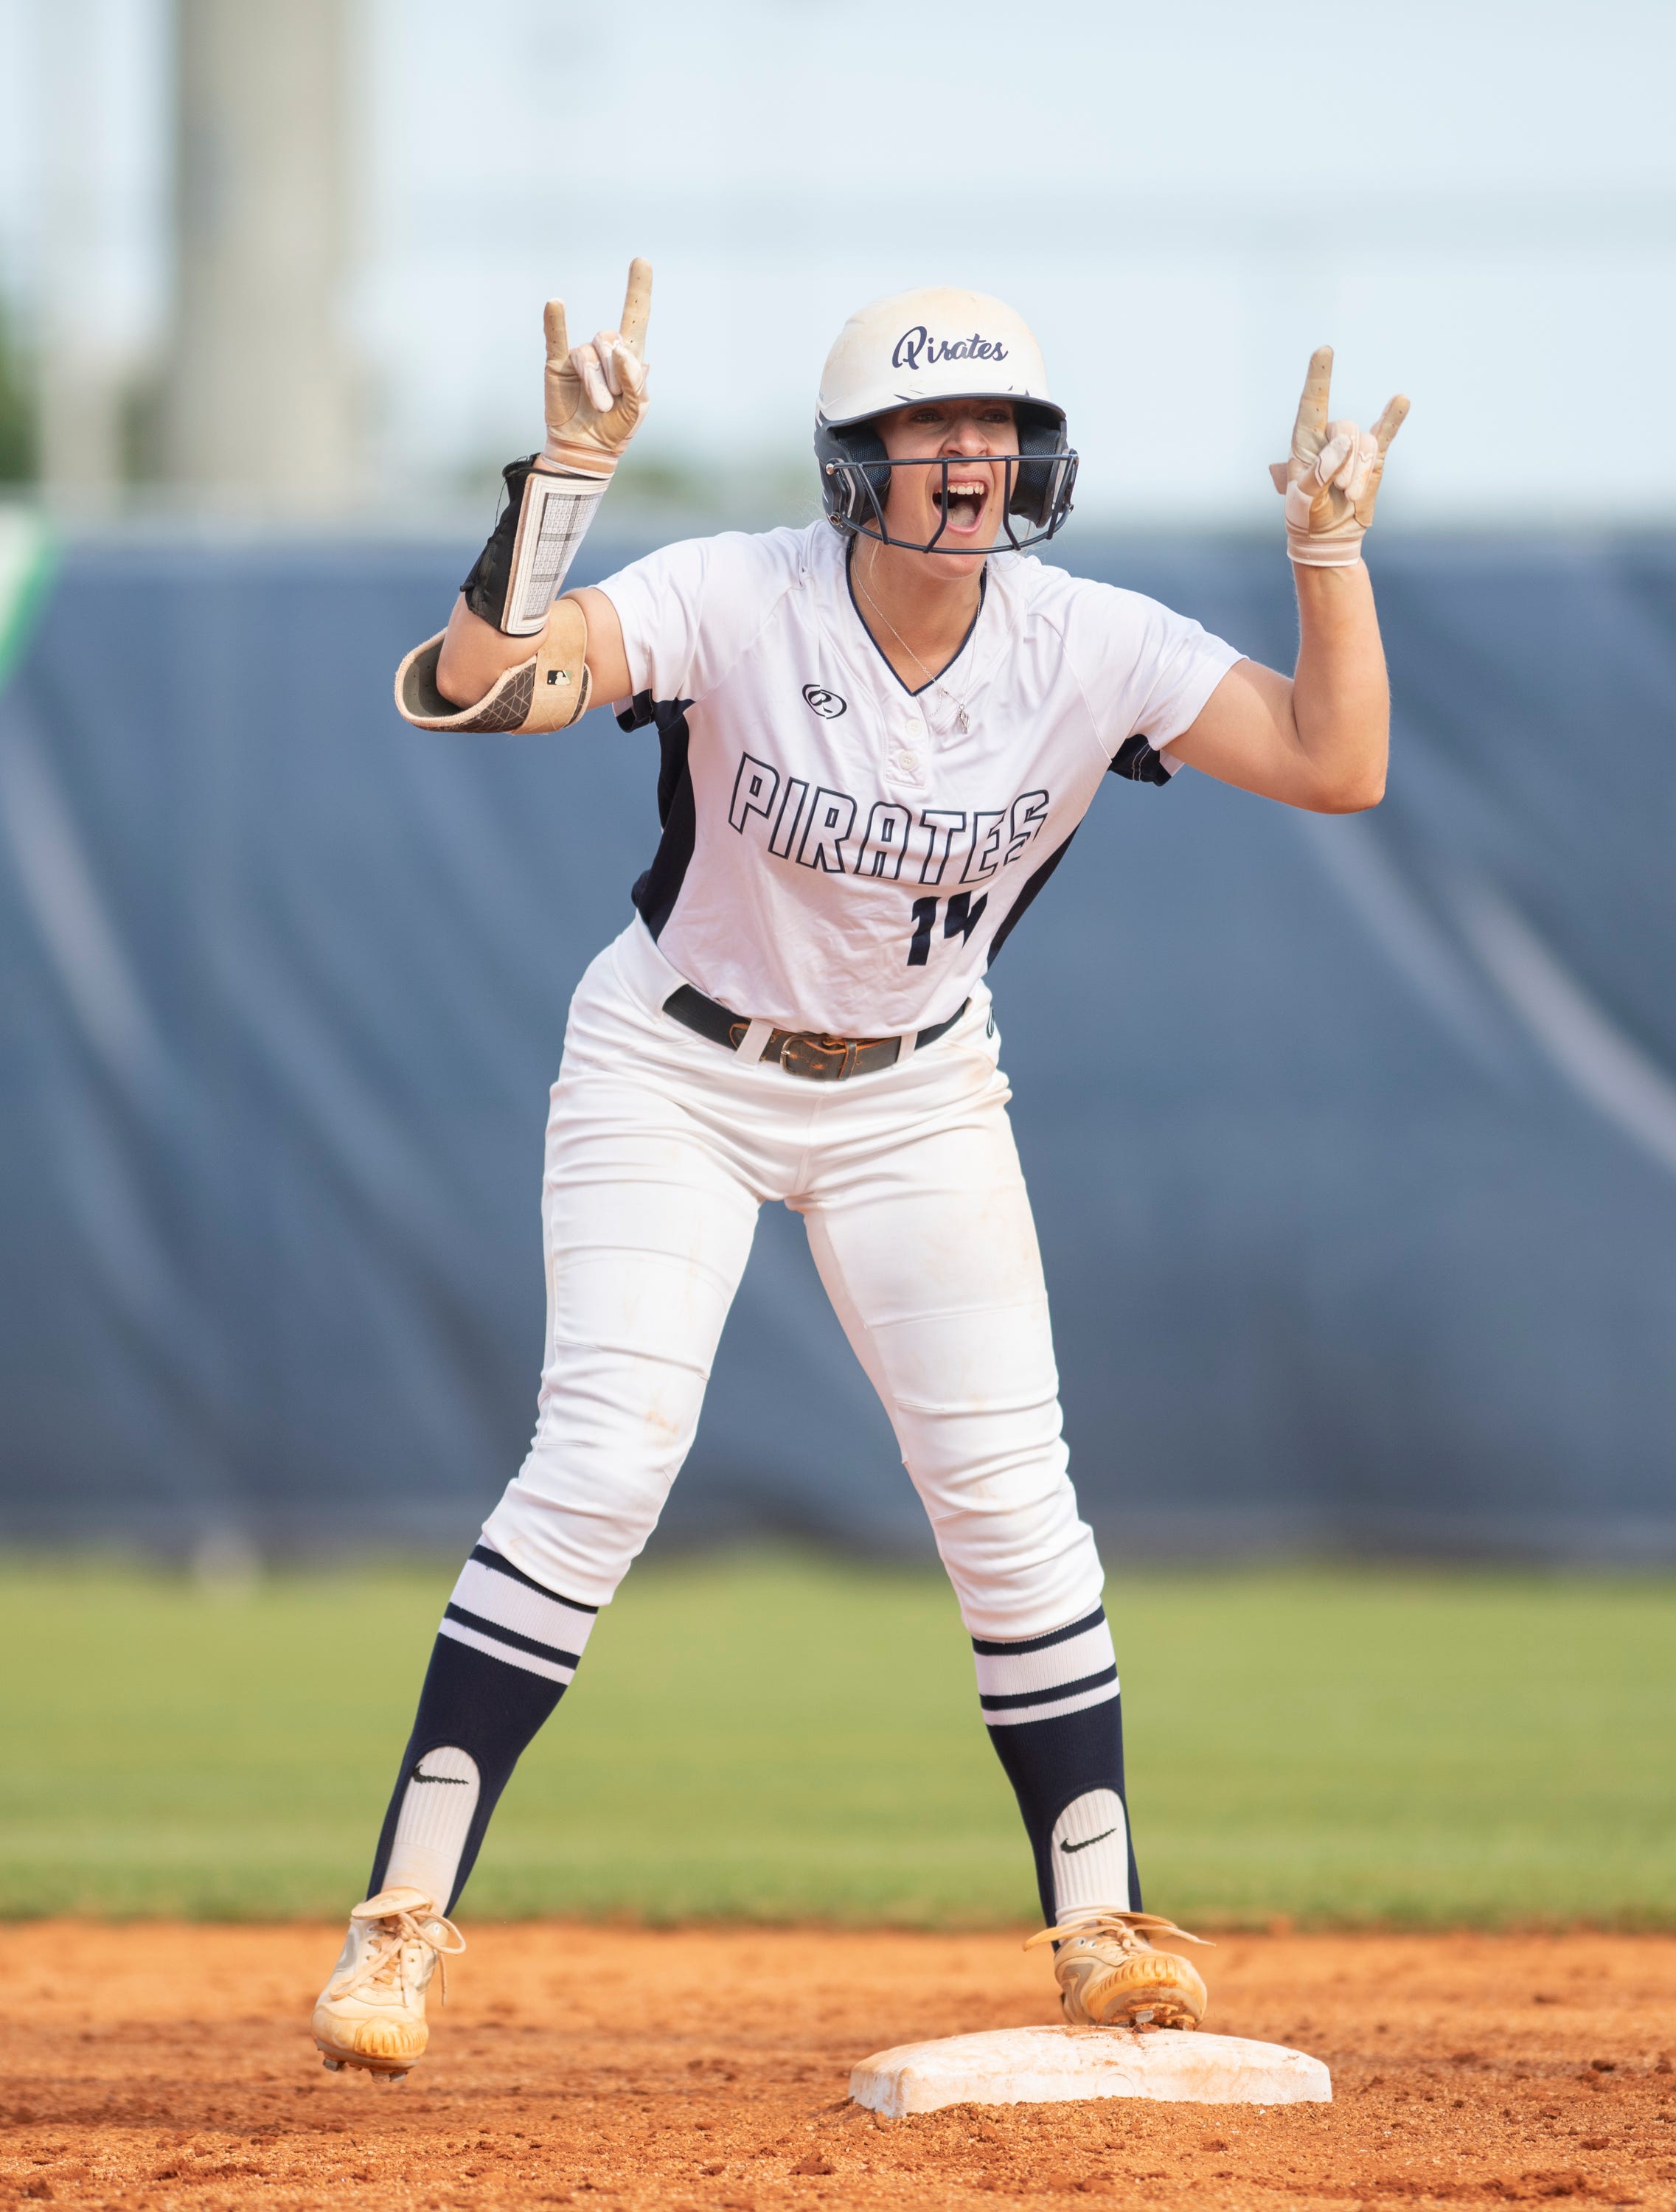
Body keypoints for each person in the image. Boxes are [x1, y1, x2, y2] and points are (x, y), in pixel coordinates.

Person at [310, 264, 1408, 2080]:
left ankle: (1102, 1924)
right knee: (600, 1463)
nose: (968, 458)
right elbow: (476, 685)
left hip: (917, 1091)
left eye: (998, 426)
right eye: (927, 425)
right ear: (855, 461)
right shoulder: (735, 596)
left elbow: (1334, 758)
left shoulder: (1091, 645)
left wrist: (1329, 557)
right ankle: (401, 1925)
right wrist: (566, 476)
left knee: (1008, 1495)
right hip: (676, 1063)